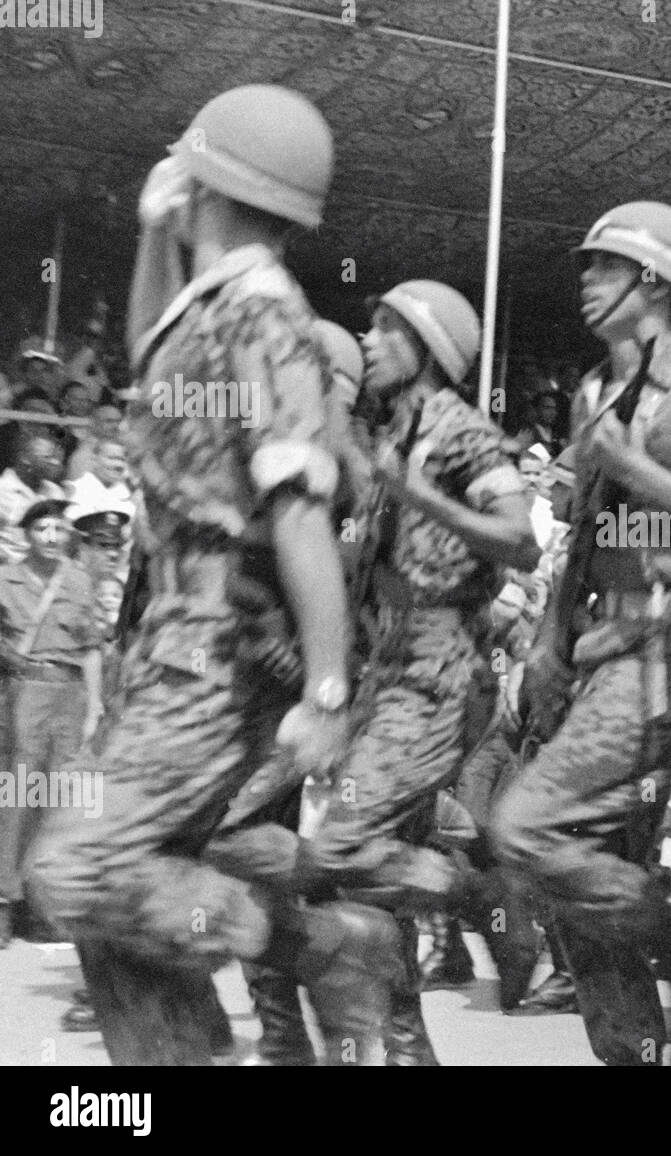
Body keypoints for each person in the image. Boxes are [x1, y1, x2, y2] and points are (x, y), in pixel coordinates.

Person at [26, 83, 402, 1067]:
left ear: (210, 176)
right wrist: (159, 232)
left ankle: (324, 942)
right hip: (174, 641)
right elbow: (152, 359)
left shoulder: (265, 317)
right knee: (121, 934)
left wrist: (328, 687)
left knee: (72, 868)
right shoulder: (210, 312)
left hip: (223, 648)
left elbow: (298, 508)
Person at [491, 200, 671, 1066]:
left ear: (655, 282)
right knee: (580, 884)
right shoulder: (593, 396)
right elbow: (584, 536)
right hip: (599, 652)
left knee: (526, 830)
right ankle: (638, 1053)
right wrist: (546, 643)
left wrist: (632, 467)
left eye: (603, 267)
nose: (585, 281)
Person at [305, 279, 539, 1064]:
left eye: (383, 327)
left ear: (427, 346)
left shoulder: (461, 432)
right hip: (388, 671)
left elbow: (520, 542)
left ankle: (485, 893)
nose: (368, 340)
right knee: (368, 892)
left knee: (340, 846)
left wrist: (420, 497)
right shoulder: (394, 433)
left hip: (438, 674)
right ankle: (406, 1050)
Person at [0, 499, 101, 948]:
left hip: (70, 694)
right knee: (18, 797)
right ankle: (6, 901)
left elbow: (93, 646)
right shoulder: (6, 579)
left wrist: (95, 705)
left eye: (58, 528)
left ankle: (43, 906)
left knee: (60, 801)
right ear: (26, 533)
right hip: (26, 692)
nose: (52, 536)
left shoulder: (79, 580)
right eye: (42, 527)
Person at [0, 429, 66, 566]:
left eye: (55, 457)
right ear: (25, 458)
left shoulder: (55, 492)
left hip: (47, 566)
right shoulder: (2, 491)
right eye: (47, 457)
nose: (55, 462)